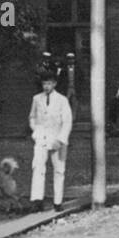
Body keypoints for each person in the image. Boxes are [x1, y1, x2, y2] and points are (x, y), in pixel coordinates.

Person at [28, 70, 72, 212]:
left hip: (57, 138)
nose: (46, 86)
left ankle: (57, 201)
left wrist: (61, 139)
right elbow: (32, 117)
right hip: (41, 138)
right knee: (38, 167)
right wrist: (35, 131)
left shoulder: (62, 100)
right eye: (44, 83)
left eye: (49, 83)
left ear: (54, 84)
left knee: (59, 170)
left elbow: (67, 122)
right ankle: (37, 200)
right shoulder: (37, 98)